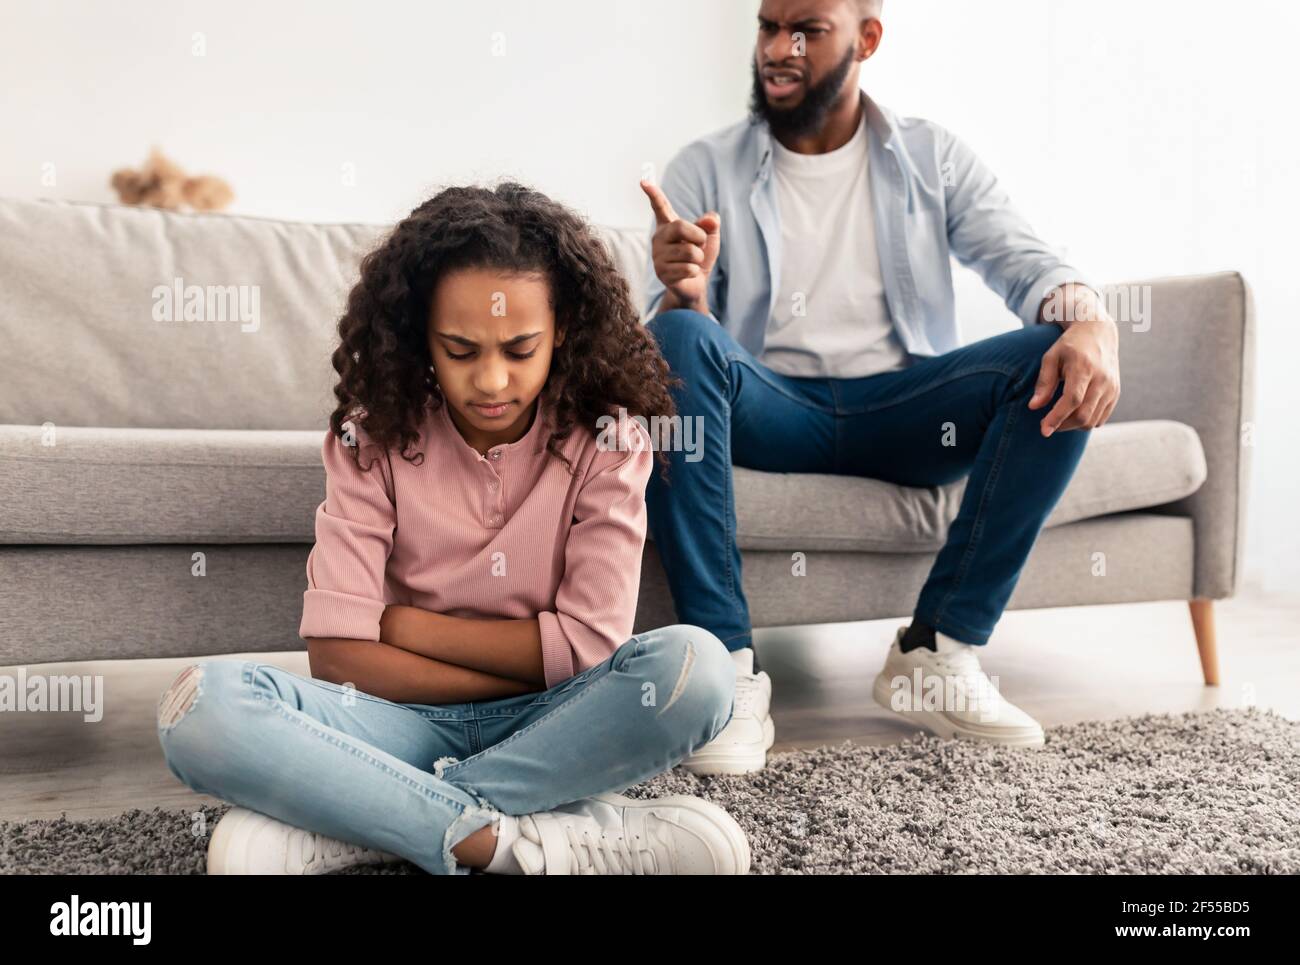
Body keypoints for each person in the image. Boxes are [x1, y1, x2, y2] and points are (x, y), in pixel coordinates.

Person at [156, 182, 750, 876]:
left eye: (520, 348)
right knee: (201, 707)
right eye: (461, 350)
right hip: (400, 721)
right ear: (421, 339)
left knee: (700, 671)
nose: (492, 380)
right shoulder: (369, 437)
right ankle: (510, 839)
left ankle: (371, 820)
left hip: (556, 717)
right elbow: (338, 657)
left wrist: (405, 627)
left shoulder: (608, 438)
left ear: (562, 333)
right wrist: (532, 654)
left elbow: (590, 647)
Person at [639, 0, 1121, 770]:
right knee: (678, 338)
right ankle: (724, 677)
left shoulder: (932, 157)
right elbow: (672, 355)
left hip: (905, 412)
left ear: (868, 39)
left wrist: (1090, 319)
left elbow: (1026, 261)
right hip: (771, 409)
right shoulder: (704, 166)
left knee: (1054, 352)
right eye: (767, 26)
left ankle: (936, 650)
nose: (777, 49)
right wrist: (683, 296)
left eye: (806, 29)